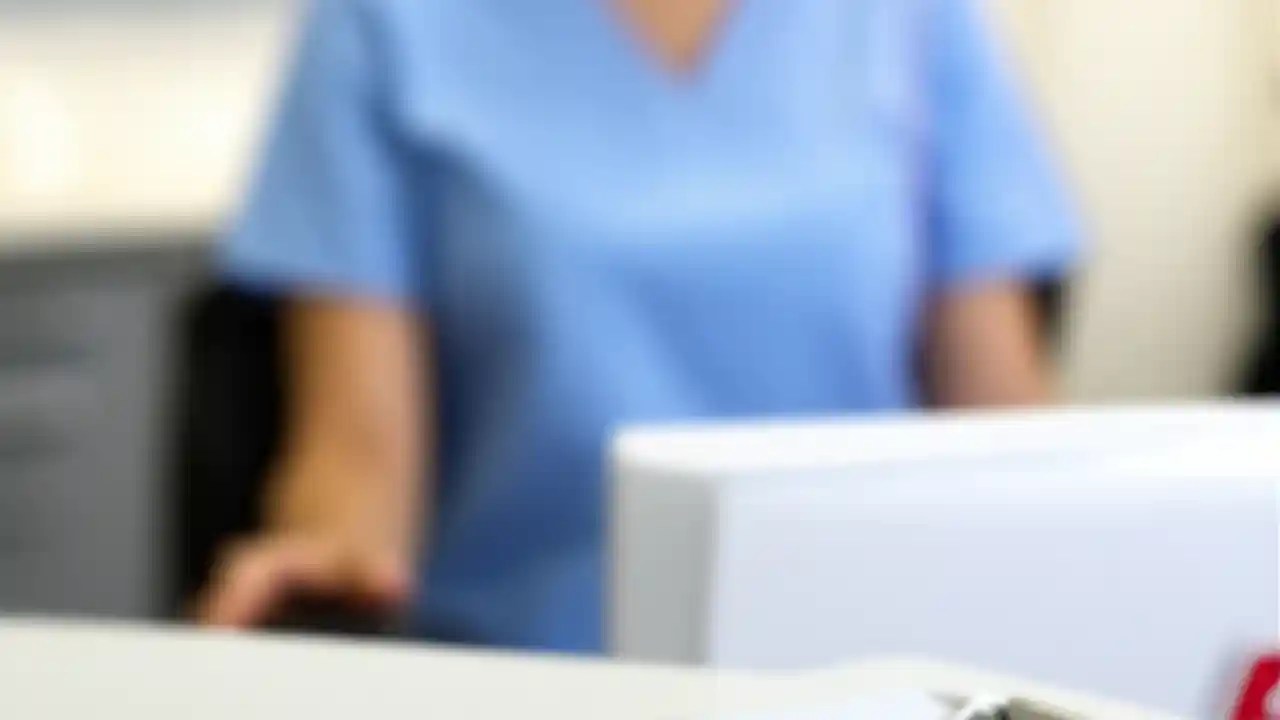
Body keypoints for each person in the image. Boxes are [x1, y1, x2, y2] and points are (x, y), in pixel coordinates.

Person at [198, 0, 1080, 652]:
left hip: (872, 671)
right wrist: (320, 573)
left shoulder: (912, 21)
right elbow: (358, 459)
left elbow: (998, 435)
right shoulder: (385, 25)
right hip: (525, 677)